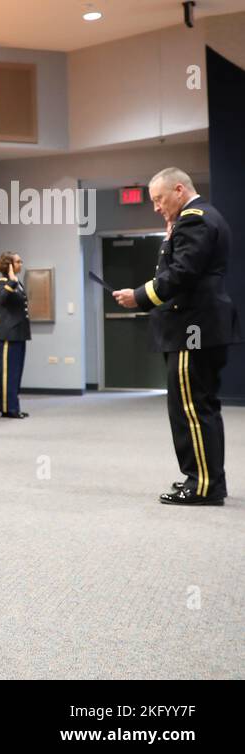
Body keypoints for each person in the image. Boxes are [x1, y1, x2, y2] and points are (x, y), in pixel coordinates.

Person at [114, 167, 240, 506]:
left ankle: (201, 485)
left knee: (190, 407)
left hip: (191, 328)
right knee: (202, 406)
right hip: (198, 326)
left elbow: (182, 273)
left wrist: (138, 296)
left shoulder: (194, 219)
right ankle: (208, 480)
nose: (155, 206)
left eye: (159, 198)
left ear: (180, 190)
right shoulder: (200, 218)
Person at [0, 252, 30, 418]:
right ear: (8, 265)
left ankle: (12, 405)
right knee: (9, 372)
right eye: (17, 261)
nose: (20, 264)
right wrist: (11, 281)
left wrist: (14, 281)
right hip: (8, 333)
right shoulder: (3, 283)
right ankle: (9, 408)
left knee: (16, 372)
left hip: (19, 332)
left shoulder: (17, 282)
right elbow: (2, 299)